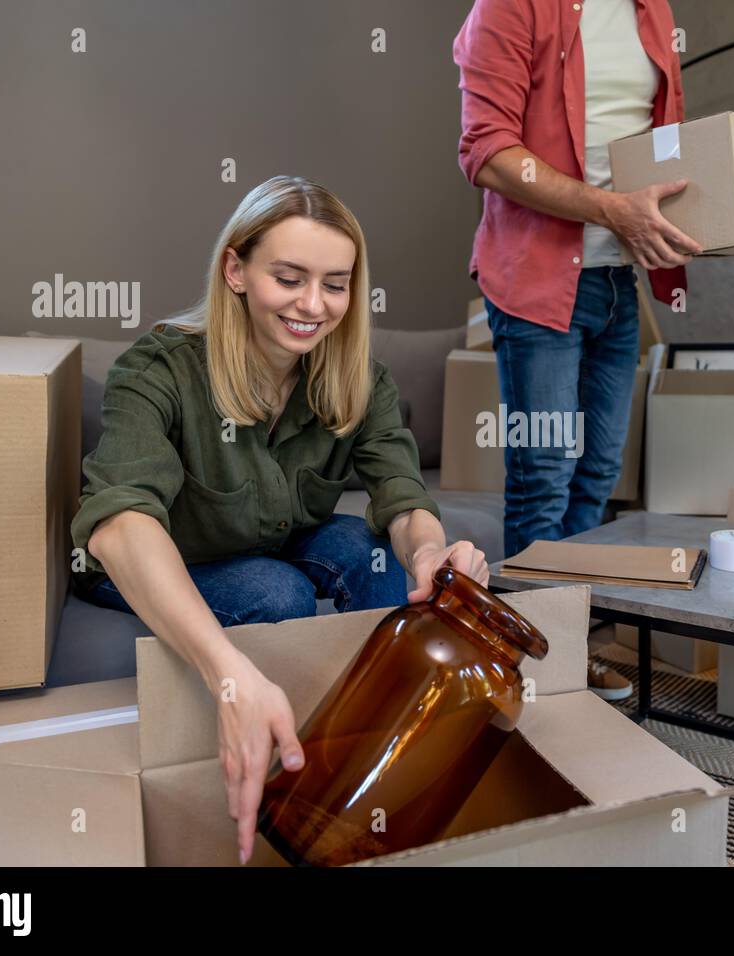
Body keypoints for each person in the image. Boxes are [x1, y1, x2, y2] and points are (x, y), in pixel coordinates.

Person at [70, 175, 488, 864]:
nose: (313, 305)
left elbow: (402, 497)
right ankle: (301, 770)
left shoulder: (357, 376)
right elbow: (119, 524)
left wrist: (429, 555)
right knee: (276, 591)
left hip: (267, 538)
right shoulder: (158, 369)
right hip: (150, 562)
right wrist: (230, 677)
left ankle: (383, 747)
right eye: (289, 278)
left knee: (365, 546)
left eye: (334, 283)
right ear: (235, 269)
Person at [453, 0, 734, 700]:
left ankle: (572, 646)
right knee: (545, 473)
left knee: (598, 473)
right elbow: (486, 152)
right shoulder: (510, 7)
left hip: (618, 280)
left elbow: (668, 160)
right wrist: (610, 209)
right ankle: (530, 668)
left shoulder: (651, 11)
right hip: (536, 282)